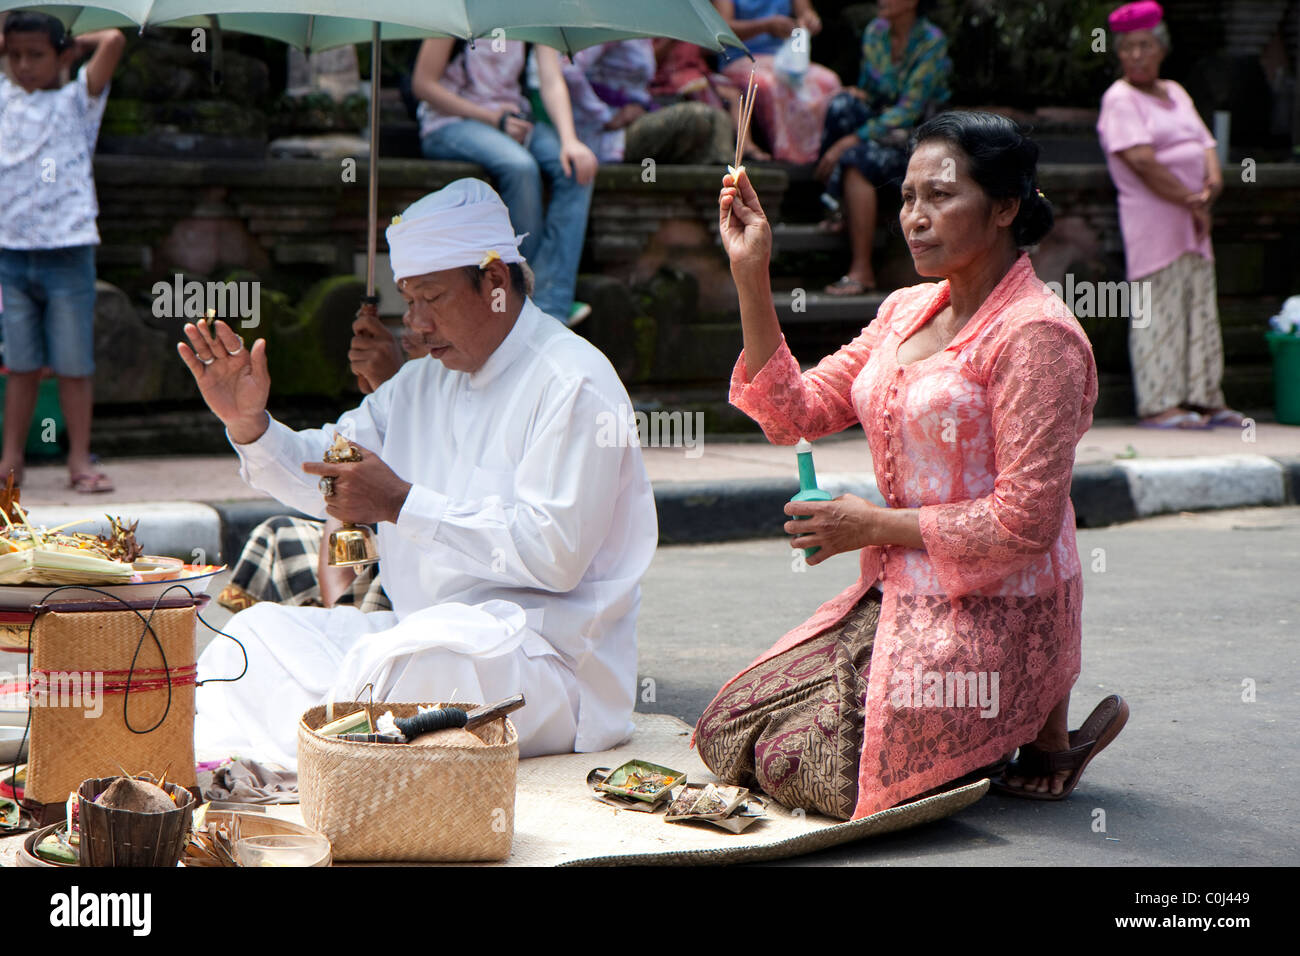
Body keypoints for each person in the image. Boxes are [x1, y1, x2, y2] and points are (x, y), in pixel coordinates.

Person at [698, 112, 1128, 820]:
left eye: (940, 197)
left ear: (1004, 208)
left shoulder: (1038, 336)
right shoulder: (902, 312)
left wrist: (869, 524)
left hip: (993, 610)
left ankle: (1026, 725)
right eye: (906, 198)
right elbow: (795, 412)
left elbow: (1025, 522)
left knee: (814, 772)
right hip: (896, 597)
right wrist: (752, 271)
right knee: (732, 734)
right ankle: (1014, 740)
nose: (914, 219)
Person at [180, 179, 658, 767]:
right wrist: (251, 425)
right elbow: (331, 473)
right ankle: (249, 767)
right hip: (415, 636)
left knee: (419, 665)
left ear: (495, 283)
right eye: (408, 299)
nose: (416, 323)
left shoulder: (572, 381)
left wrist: (403, 503)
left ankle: (303, 758)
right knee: (250, 642)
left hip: (545, 661)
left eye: (430, 298)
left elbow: (555, 556)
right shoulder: (421, 382)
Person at [1097, 1, 1244, 429]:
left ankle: (1204, 397)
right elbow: (1143, 161)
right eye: (1128, 48)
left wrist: (1211, 187)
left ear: (1161, 49)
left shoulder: (1176, 91)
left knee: (1198, 304)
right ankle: (1159, 403)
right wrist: (1192, 200)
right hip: (1154, 219)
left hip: (1192, 219)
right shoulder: (1119, 98)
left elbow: (1207, 144)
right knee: (1157, 307)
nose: (1137, 56)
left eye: (1145, 46)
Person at [0, 14, 124, 491]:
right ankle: (10, 461)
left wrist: (72, 41)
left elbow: (112, 38)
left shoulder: (78, 99)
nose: (25, 65)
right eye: (15, 56)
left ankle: (79, 462)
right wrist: (14, 39)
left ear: (63, 55)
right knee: (20, 363)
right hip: (12, 252)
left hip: (68, 250)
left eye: (37, 54)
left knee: (74, 363)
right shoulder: (7, 98)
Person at [413, 38, 598, 328]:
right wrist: (492, 119)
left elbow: (551, 80)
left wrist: (570, 140)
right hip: (451, 123)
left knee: (576, 168)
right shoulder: (457, 8)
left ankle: (550, 303)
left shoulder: (529, 11)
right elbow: (423, 84)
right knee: (520, 166)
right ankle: (525, 293)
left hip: (515, 123)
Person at [814, 0, 951, 295]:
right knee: (841, 105)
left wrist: (855, 138)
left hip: (912, 138)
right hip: (876, 127)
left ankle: (862, 270)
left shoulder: (932, 42)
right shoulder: (875, 32)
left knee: (857, 159)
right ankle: (833, 205)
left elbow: (909, 110)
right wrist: (856, 94)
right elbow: (870, 90)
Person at [562, 39, 735, 166]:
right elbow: (569, 71)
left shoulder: (639, 30)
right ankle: (727, 190)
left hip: (639, 116)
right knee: (699, 116)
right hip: (605, 134)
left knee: (719, 118)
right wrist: (604, 115)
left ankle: (728, 187)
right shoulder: (605, 26)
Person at [712, 0, 842, 164]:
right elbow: (721, 31)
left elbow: (805, 12)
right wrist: (764, 26)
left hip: (783, 58)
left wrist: (809, 20)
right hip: (741, 58)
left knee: (829, 81)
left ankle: (825, 155)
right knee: (770, 85)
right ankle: (789, 157)